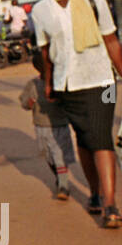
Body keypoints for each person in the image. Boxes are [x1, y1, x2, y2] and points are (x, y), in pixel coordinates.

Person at [31, 0, 122, 229]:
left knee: (101, 136)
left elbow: (111, 40)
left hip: (102, 80)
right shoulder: (41, 9)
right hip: (67, 83)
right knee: (83, 139)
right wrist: (47, 82)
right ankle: (94, 191)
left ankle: (110, 203)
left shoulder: (93, 1)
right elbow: (45, 51)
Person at [19, 52, 75, 200]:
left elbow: (70, 101)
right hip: (41, 126)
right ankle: (59, 176)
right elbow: (24, 102)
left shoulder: (60, 83)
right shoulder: (33, 85)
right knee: (49, 157)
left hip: (59, 124)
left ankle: (64, 186)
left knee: (59, 154)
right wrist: (28, 103)